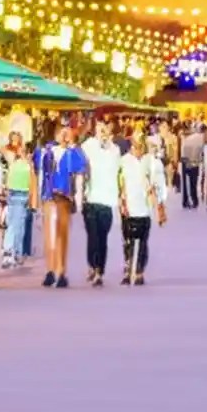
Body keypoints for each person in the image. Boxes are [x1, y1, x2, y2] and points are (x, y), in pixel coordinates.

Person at [37, 125, 87, 288]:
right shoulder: (47, 151)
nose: (63, 136)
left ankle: (61, 271)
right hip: (49, 197)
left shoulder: (73, 153)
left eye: (67, 133)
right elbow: (37, 166)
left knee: (62, 235)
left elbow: (80, 167)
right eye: (61, 133)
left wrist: (72, 145)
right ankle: (50, 270)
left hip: (64, 197)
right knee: (50, 236)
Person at [119, 137, 167, 286]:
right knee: (128, 242)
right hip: (128, 207)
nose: (138, 149)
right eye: (135, 146)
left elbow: (158, 185)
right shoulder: (124, 161)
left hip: (145, 208)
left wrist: (160, 207)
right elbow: (119, 182)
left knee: (143, 242)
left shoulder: (151, 162)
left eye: (141, 146)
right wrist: (121, 201)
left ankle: (139, 271)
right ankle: (127, 270)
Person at [81, 121, 122, 287]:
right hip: (91, 199)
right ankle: (93, 265)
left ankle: (99, 270)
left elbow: (119, 169)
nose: (103, 132)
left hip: (108, 200)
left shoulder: (115, 150)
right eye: (100, 128)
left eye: (106, 128)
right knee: (93, 236)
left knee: (103, 237)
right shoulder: (88, 146)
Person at [0, 132, 36, 269]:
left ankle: (17, 252)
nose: (19, 150)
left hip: (23, 194)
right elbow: (2, 149)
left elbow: (32, 181)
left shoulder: (28, 164)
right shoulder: (12, 159)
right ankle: (9, 252)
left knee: (19, 224)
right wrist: (13, 147)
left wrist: (33, 199)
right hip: (14, 193)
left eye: (21, 147)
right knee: (12, 223)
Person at [180, 123, 205, 209]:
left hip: (186, 157)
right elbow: (197, 152)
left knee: (188, 180)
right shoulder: (200, 138)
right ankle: (193, 200)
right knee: (192, 181)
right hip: (190, 158)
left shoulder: (195, 137)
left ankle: (187, 200)